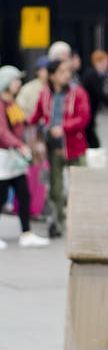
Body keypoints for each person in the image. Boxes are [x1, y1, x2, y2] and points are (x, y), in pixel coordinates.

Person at [29, 59, 90, 238]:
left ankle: (81, 222)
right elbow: (36, 115)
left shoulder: (77, 92)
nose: (66, 75)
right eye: (62, 72)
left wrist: (63, 127)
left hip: (74, 147)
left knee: (80, 187)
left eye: (67, 71)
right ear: (52, 75)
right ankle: (57, 223)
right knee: (55, 189)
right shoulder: (45, 93)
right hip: (54, 148)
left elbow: (84, 117)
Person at [0, 66, 49, 249]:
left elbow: (22, 122)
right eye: (15, 80)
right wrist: (19, 144)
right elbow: (2, 131)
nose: (18, 83)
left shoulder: (12, 102)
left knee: (24, 194)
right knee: (1, 196)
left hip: (15, 157)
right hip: (4, 157)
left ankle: (26, 233)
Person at [81, 50, 108, 148]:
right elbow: (101, 95)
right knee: (92, 139)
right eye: (106, 62)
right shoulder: (92, 75)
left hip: (90, 111)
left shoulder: (96, 74)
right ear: (98, 62)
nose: (107, 64)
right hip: (87, 111)